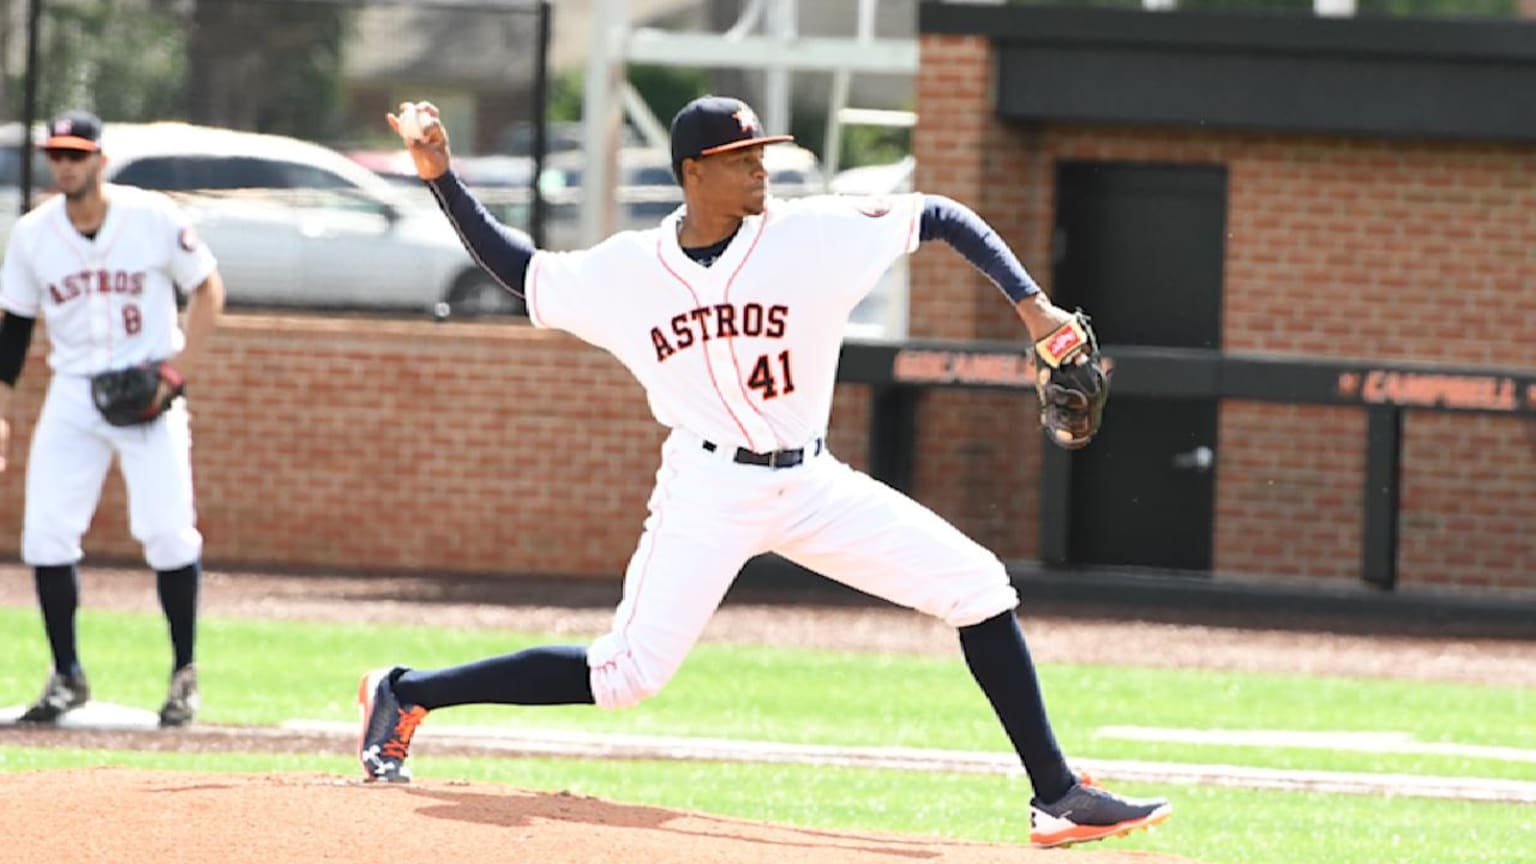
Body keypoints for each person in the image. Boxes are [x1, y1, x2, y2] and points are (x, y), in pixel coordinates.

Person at [357, 96, 1170, 849]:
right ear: (692, 173)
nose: (761, 167)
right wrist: (441, 178)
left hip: (811, 484)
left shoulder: (811, 232)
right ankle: (408, 689)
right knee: (625, 675)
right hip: (708, 489)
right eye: (741, 156)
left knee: (978, 586)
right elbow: (516, 267)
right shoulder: (626, 271)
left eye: (761, 152)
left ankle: (1055, 795)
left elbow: (942, 217)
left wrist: (1035, 309)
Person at [0, 110, 226, 728]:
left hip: (147, 388)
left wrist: (178, 370)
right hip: (73, 391)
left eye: (77, 153)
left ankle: (184, 674)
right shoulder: (33, 234)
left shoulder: (151, 218)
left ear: (100, 158)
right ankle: (67, 674)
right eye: (57, 154)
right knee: (45, 534)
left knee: (167, 531)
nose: (66, 163)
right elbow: (14, 331)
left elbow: (207, 289)